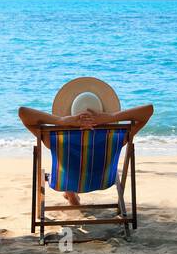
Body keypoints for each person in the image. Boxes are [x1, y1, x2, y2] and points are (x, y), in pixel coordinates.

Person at [19, 76, 153, 207]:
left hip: (65, 181)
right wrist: (111, 117)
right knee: (76, 162)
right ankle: (71, 195)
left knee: (69, 163)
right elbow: (148, 110)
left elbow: (23, 112)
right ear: (102, 112)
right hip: (102, 180)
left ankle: (71, 194)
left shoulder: (55, 137)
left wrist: (61, 121)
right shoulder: (117, 136)